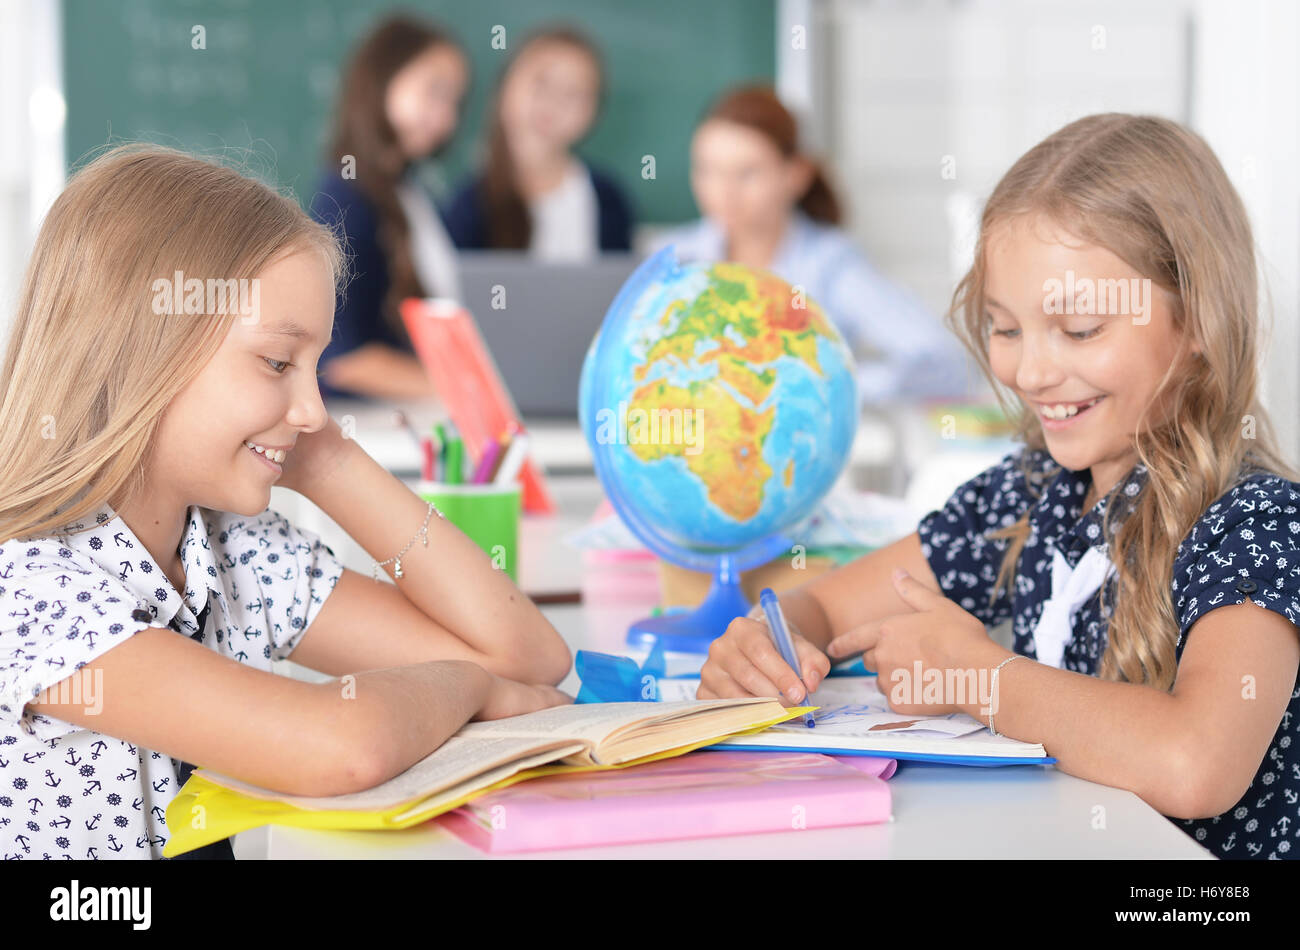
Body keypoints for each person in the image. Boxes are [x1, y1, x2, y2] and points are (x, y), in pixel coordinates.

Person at [698, 114, 1300, 860]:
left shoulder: (1258, 524)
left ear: (1200, 317)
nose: (1031, 373)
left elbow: (1197, 763)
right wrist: (769, 640)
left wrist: (982, 678)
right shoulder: (1028, 492)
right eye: (1005, 328)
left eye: (1079, 330)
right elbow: (824, 602)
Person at [0, 145, 572, 860]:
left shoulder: (235, 547)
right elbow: (334, 746)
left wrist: (328, 461)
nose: (312, 408)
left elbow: (524, 658)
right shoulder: (28, 587)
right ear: (143, 352)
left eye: (317, 369)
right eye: (278, 362)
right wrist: (469, 687)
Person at [652, 85, 972, 406]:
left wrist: (829, 382)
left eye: (746, 173)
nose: (723, 192)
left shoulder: (830, 264)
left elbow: (942, 362)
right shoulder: (673, 259)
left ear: (795, 175)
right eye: (708, 171)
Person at [310, 14, 469, 401]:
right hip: (372, 433)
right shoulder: (346, 200)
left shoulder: (410, 194)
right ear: (382, 81)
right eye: (434, 91)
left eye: (455, 102)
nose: (447, 118)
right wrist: (467, 394)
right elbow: (342, 357)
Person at [443, 26, 633, 259]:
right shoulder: (468, 206)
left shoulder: (609, 200)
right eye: (541, 83)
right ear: (505, 87)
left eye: (574, 93)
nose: (554, 102)